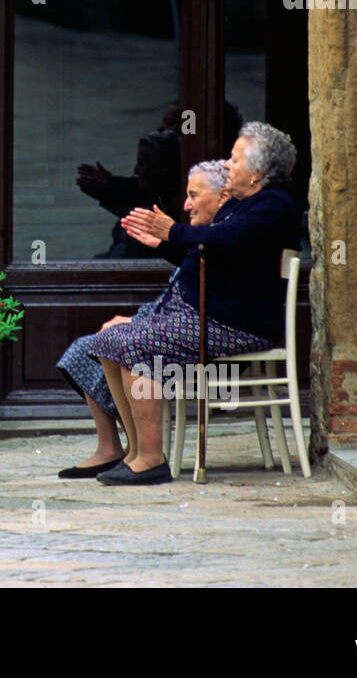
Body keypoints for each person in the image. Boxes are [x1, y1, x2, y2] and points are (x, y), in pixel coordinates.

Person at [89, 121, 300, 485]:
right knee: (108, 340)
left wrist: (171, 231)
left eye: (234, 160)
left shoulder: (273, 205)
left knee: (134, 342)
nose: (227, 166)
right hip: (213, 316)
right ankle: (135, 452)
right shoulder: (243, 203)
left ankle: (152, 460)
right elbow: (207, 248)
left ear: (258, 173)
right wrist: (168, 241)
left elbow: (225, 240)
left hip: (236, 324)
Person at [54, 160, 230, 478]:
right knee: (87, 346)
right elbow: (191, 272)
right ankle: (113, 449)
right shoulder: (205, 233)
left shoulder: (227, 232)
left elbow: (206, 293)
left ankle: (147, 457)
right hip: (179, 323)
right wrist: (166, 245)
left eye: (194, 195)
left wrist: (138, 324)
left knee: (126, 342)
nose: (186, 204)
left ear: (223, 196)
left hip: (208, 341)